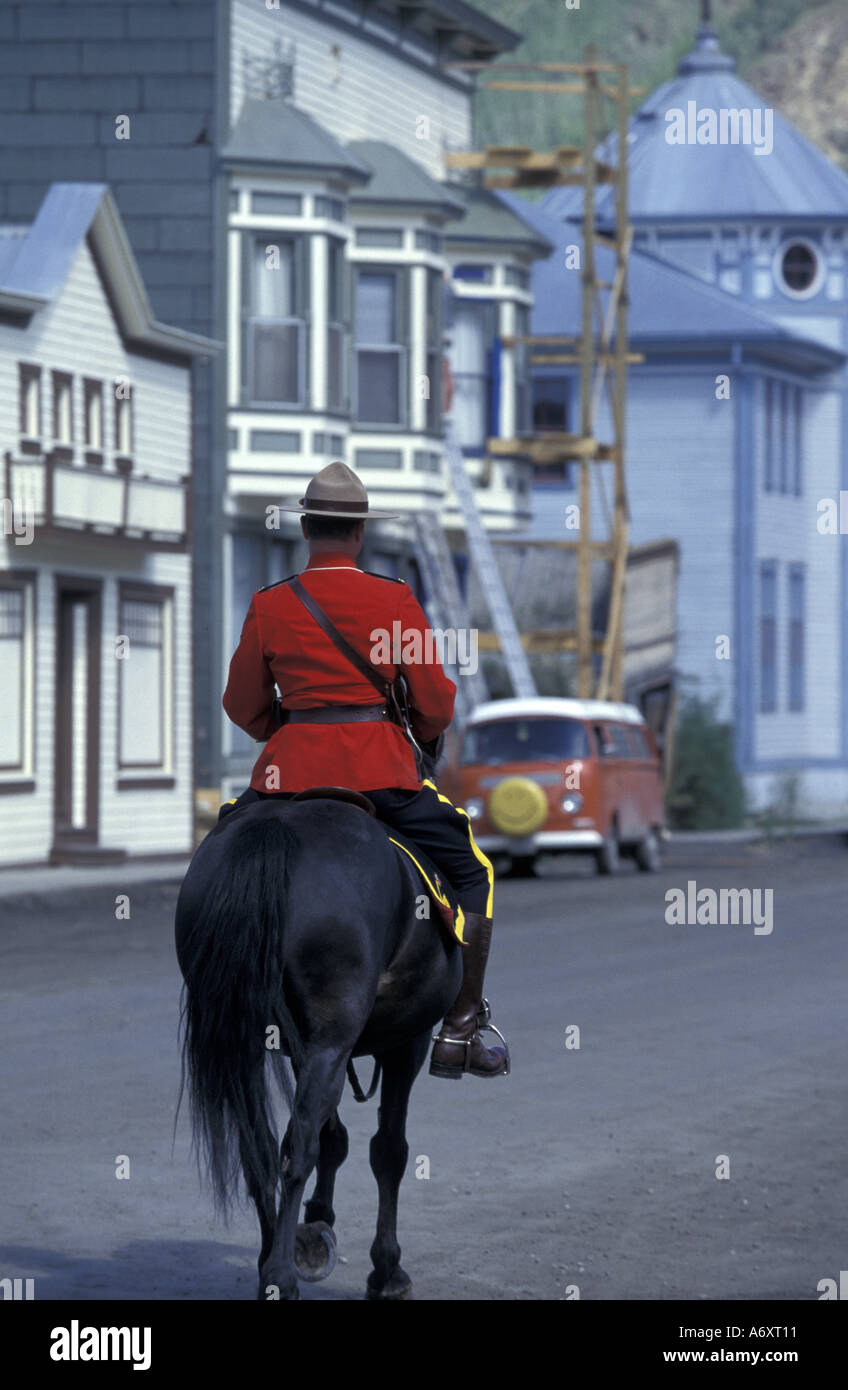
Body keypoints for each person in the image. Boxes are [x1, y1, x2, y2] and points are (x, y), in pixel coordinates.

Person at [221, 461, 508, 1080]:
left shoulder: (270, 604)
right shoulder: (394, 601)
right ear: (357, 534)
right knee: (472, 867)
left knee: (220, 858)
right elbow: (434, 705)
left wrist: (296, 732)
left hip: (286, 778)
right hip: (383, 775)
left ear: (307, 530)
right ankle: (462, 1026)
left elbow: (240, 705)